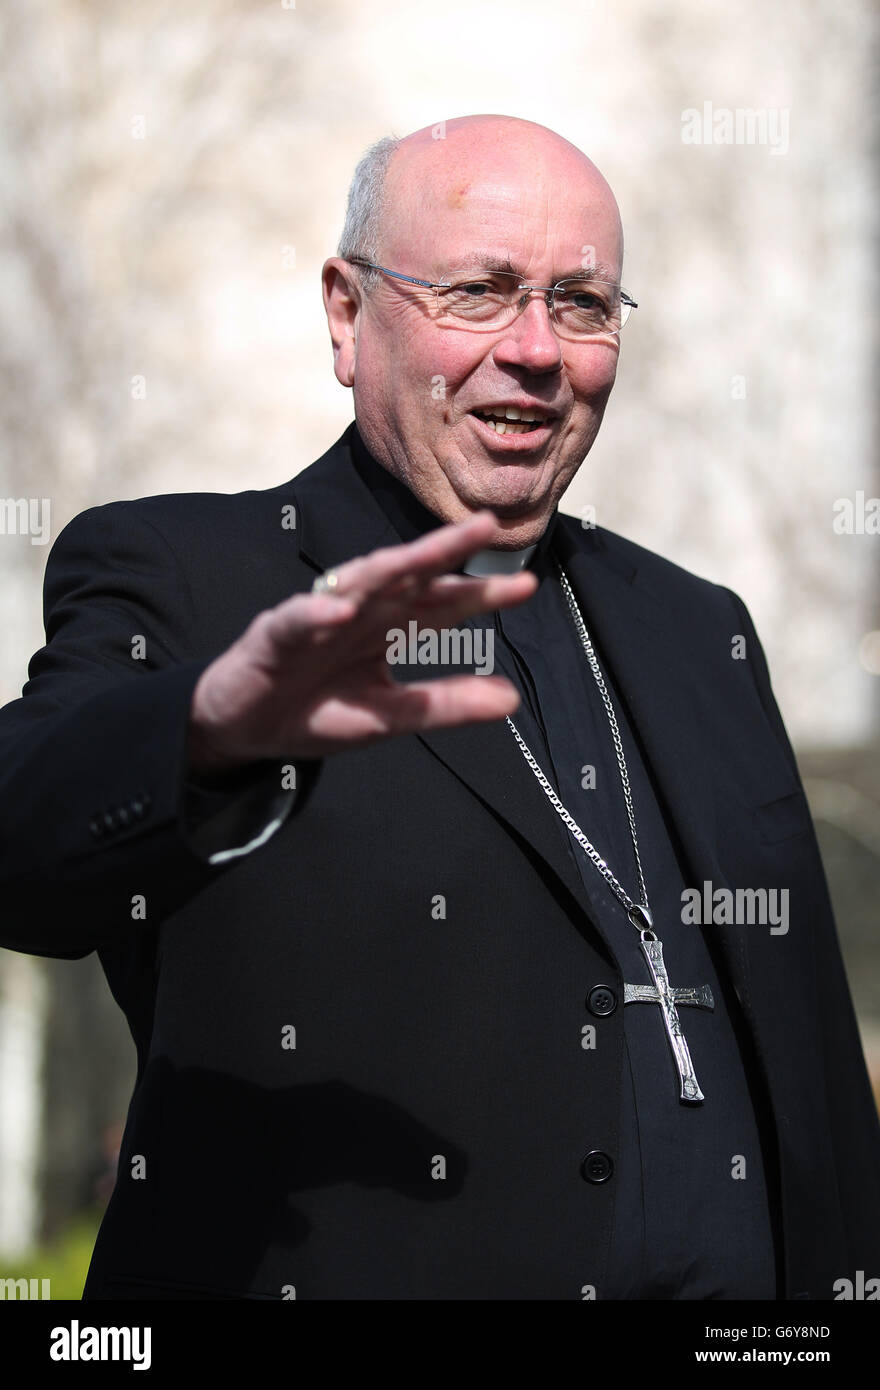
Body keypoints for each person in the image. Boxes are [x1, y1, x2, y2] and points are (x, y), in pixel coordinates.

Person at [1, 114, 877, 1301]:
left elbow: (811, 1053)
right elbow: (23, 844)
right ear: (348, 316)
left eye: (579, 303)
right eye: (480, 291)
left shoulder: (696, 629)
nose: (535, 349)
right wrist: (205, 731)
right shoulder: (190, 571)